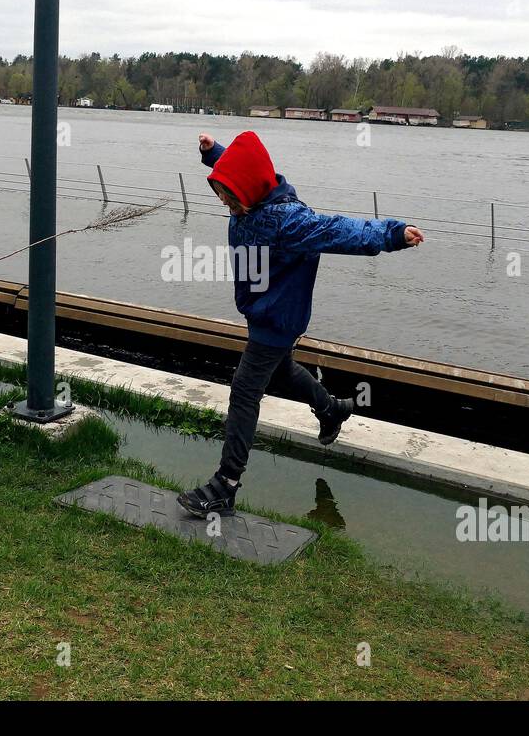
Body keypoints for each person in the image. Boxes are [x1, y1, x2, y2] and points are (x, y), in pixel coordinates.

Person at [176, 131, 424, 517]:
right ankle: (331, 409)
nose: (224, 202)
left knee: (244, 390)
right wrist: (214, 156)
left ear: (250, 190)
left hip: (277, 317)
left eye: (228, 195)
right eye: (220, 193)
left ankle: (226, 484)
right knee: (280, 373)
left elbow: (340, 231)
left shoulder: (289, 221)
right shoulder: (252, 195)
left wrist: (392, 234)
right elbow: (246, 170)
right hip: (263, 308)